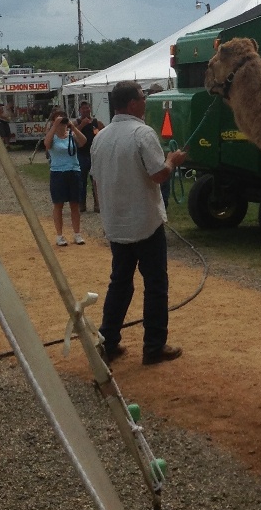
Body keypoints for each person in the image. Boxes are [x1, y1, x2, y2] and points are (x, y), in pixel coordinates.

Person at [90, 80, 188, 365]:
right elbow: (159, 175)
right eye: (143, 97)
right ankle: (154, 346)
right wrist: (173, 160)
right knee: (155, 284)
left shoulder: (101, 137)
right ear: (132, 103)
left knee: (120, 283)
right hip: (145, 222)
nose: (146, 101)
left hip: (116, 224)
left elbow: (97, 181)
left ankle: (108, 341)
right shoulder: (142, 133)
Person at [44, 108, 87, 247]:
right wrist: (54, 126)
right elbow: (47, 144)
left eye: (63, 118)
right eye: (59, 118)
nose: (62, 121)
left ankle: (77, 233)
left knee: (75, 204)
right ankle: (59, 235)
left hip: (73, 171)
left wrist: (73, 126)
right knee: (58, 204)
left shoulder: (71, 135)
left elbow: (83, 141)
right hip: (58, 173)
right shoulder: (52, 136)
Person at [75, 101, 102, 213]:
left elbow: (102, 133)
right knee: (81, 180)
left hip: (94, 155)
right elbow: (73, 134)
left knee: (96, 180)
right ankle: (82, 204)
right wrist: (82, 125)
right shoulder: (76, 122)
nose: (86, 110)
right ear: (80, 110)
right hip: (81, 154)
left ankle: (97, 204)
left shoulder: (96, 122)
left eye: (87, 108)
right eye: (83, 108)